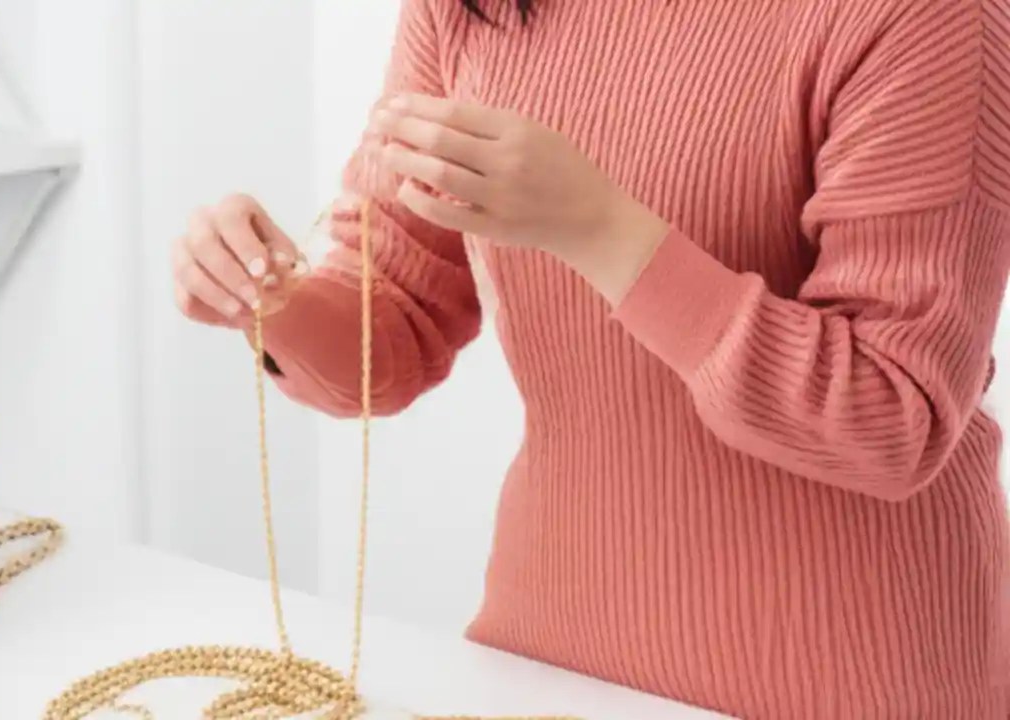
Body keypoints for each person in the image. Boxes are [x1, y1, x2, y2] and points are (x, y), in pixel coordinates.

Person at [171, 0, 1010, 716]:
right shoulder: (473, 7)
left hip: (850, 671)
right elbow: (388, 328)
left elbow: (894, 419)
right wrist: (265, 298)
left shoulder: (928, 17)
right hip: (544, 657)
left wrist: (603, 232)